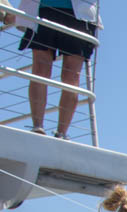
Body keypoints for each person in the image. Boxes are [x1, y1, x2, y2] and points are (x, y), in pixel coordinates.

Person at [16, 0, 101, 139]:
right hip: (43, 9)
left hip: (78, 13)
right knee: (40, 70)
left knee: (71, 77)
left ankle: (61, 132)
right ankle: (38, 126)